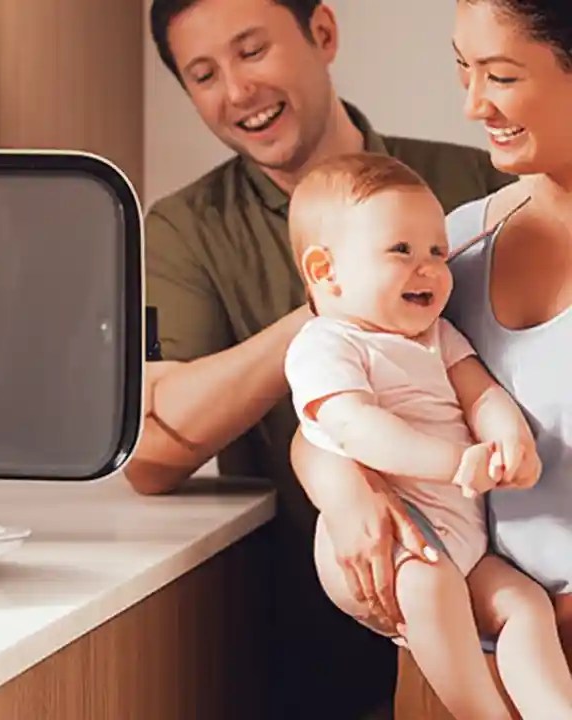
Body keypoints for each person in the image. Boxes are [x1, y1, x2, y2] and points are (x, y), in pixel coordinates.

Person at [132, 0, 514, 717]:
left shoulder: (472, 188)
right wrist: (327, 315)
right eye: (204, 73)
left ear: (324, 35)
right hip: (305, 622)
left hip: (499, 593)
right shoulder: (187, 229)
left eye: (252, 51)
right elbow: (151, 456)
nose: (237, 92)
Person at [291, 0, 572, 707]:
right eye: (462, 71)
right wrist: (346, 493)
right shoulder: (448, 247)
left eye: (501, 76)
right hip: (456, 664)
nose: (475, 104)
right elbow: (326, 415)